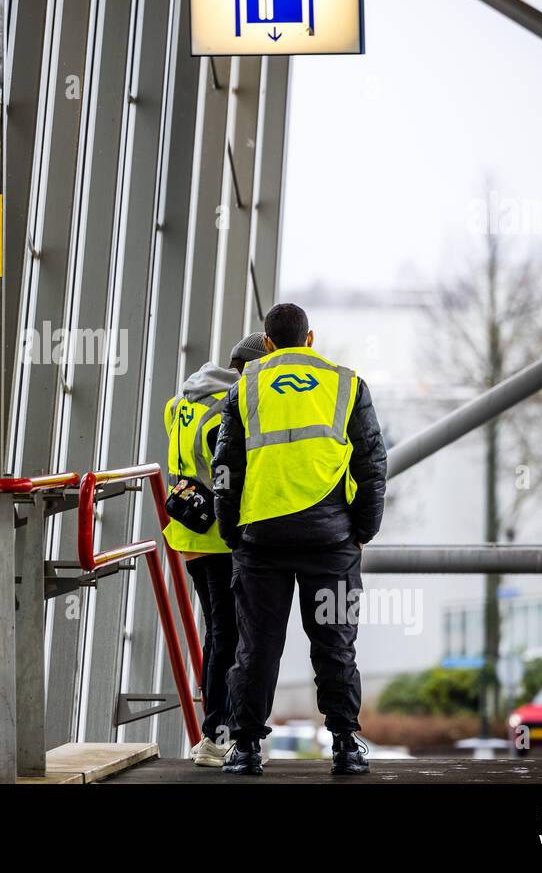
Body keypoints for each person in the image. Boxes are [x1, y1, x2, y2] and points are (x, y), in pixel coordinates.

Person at [212, 303, 387, 776]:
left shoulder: (244, 388)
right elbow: (372, 466)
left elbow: (225, 470)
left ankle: (246, 747)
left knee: (257, 647)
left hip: (262, 543)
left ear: (266, 343)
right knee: (335, 644)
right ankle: (346, 746)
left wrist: (232, 532)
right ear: (309, 338)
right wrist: (362, 530)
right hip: (331, 543)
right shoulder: (347, 384)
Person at [163, 332, 268, 767]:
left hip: (187, 535)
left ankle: (215, 731)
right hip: (218, 538)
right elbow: (230, 476)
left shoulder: (181, 403)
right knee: (227, 635)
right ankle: (215, 735)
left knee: (217, 633)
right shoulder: (229, 409)